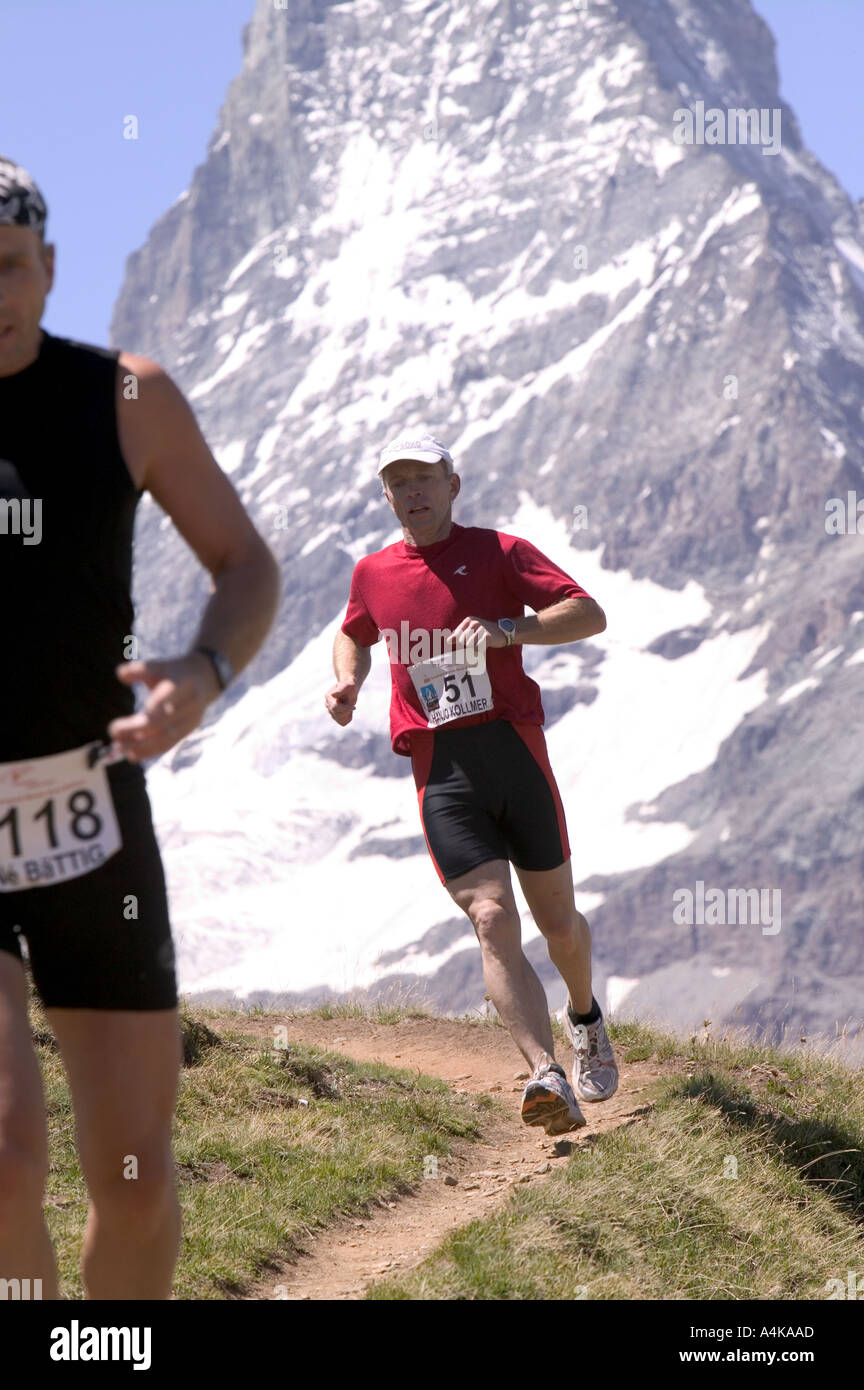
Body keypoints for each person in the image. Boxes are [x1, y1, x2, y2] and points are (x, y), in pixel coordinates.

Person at [0, 156, 281, 1299]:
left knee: (133, 1179)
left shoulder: (127, 396)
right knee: (5, 1159)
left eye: (9, 267)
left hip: (94, 817)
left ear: (50, 269)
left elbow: (246, 562)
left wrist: (206, 673)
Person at [325, 433, 618, 1135]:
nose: (413, 493)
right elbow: (354, 632)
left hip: (513, 755)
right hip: (441, 770)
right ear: (387, 496)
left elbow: (588, 613)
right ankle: (545, 1077)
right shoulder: (373, 572)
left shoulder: (500, 551)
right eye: (399, 483)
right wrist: (345, 680)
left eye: (425, 478)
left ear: (453, 484)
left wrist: (507, 631)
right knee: (490, 917)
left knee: (558, 927)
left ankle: (584, 1018)